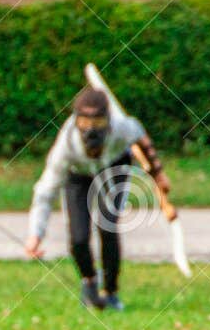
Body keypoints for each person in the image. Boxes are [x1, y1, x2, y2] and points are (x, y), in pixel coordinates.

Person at [23, 87, 171, 311]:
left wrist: (158, 173)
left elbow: (141, 136)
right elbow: (45, 191)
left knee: (107, 225)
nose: (91, 129)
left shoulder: (122, 126)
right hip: (78, 175)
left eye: (98, 122)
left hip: (114, 167)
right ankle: (89, 282)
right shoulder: (66, 144)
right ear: (76, 121)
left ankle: (111, 292)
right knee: (78, 237)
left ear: (108, 119)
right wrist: (36, 234)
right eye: (85, 122)